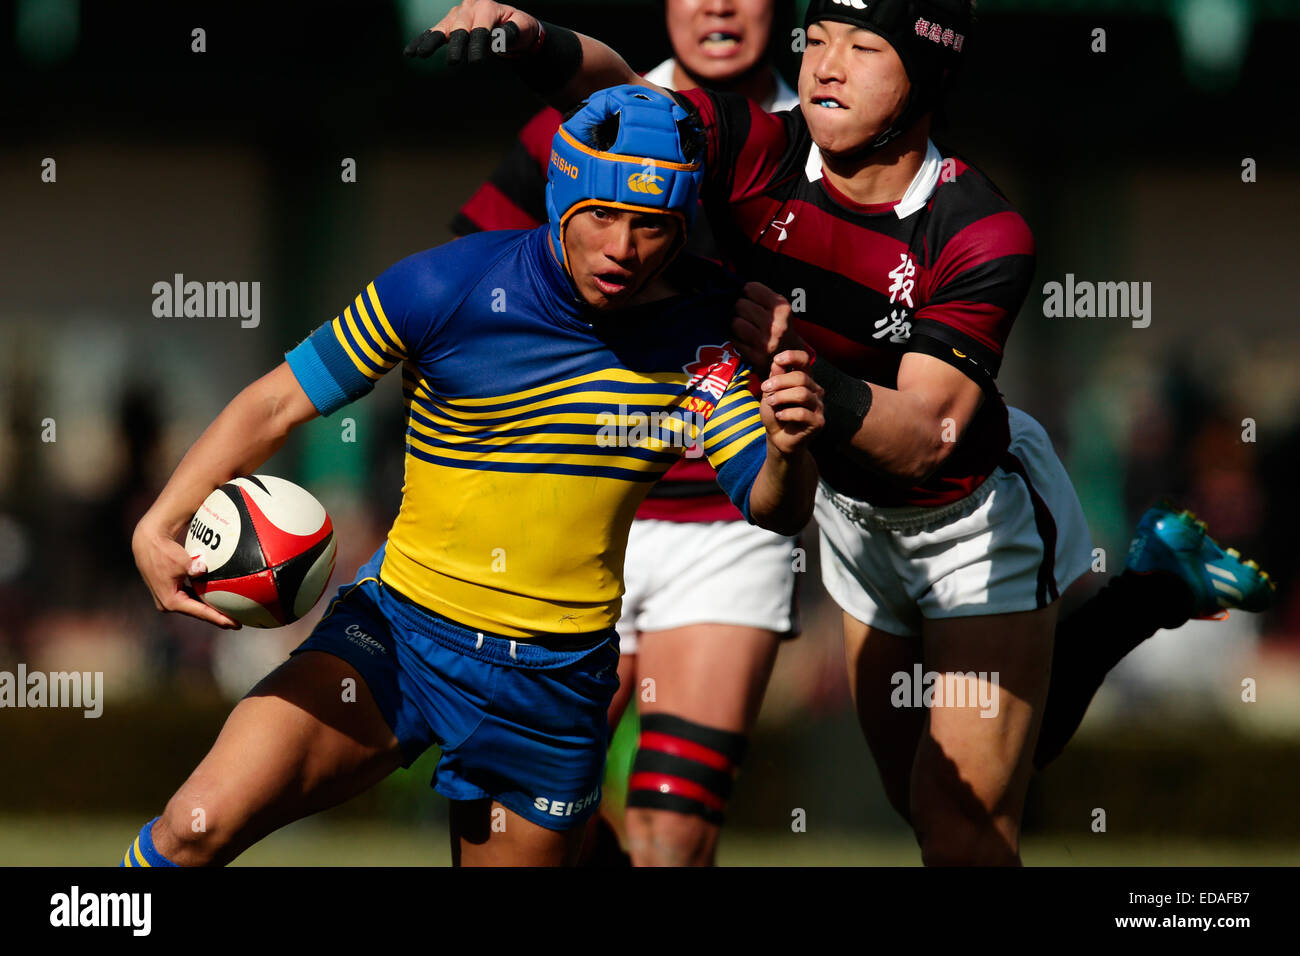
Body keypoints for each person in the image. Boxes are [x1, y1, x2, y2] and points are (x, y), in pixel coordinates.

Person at [405, 0, 1276, 864]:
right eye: (818, 41)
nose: (826, 65)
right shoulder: (756, 148)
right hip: (852, 527)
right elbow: (626, 97)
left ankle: (1143, 597)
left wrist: (803, 372)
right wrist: (527, 37)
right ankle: (1149, 594)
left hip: (976, 521)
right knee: (928, 796)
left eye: (863, 47)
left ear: (928, 73)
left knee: (961, 824)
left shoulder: (979, 228)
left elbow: (927, 432)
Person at [120, 85, 824, 867]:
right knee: (194, 825)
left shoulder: (707, 331)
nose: (622, 248)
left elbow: (772, 507)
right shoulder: (443, 287)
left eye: (651, 225)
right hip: (395, 637)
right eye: (600, 215)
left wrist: (790, 447)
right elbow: (277, 404)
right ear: (559, 195)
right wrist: (161, 520)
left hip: (552, 690)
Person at [454, 0, 801, 868]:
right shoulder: (592, 123)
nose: (717, 4)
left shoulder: (817, 143)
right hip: (575, 507)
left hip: (724, 524)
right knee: (525, 826)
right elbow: (477, 275)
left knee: (671, 830)